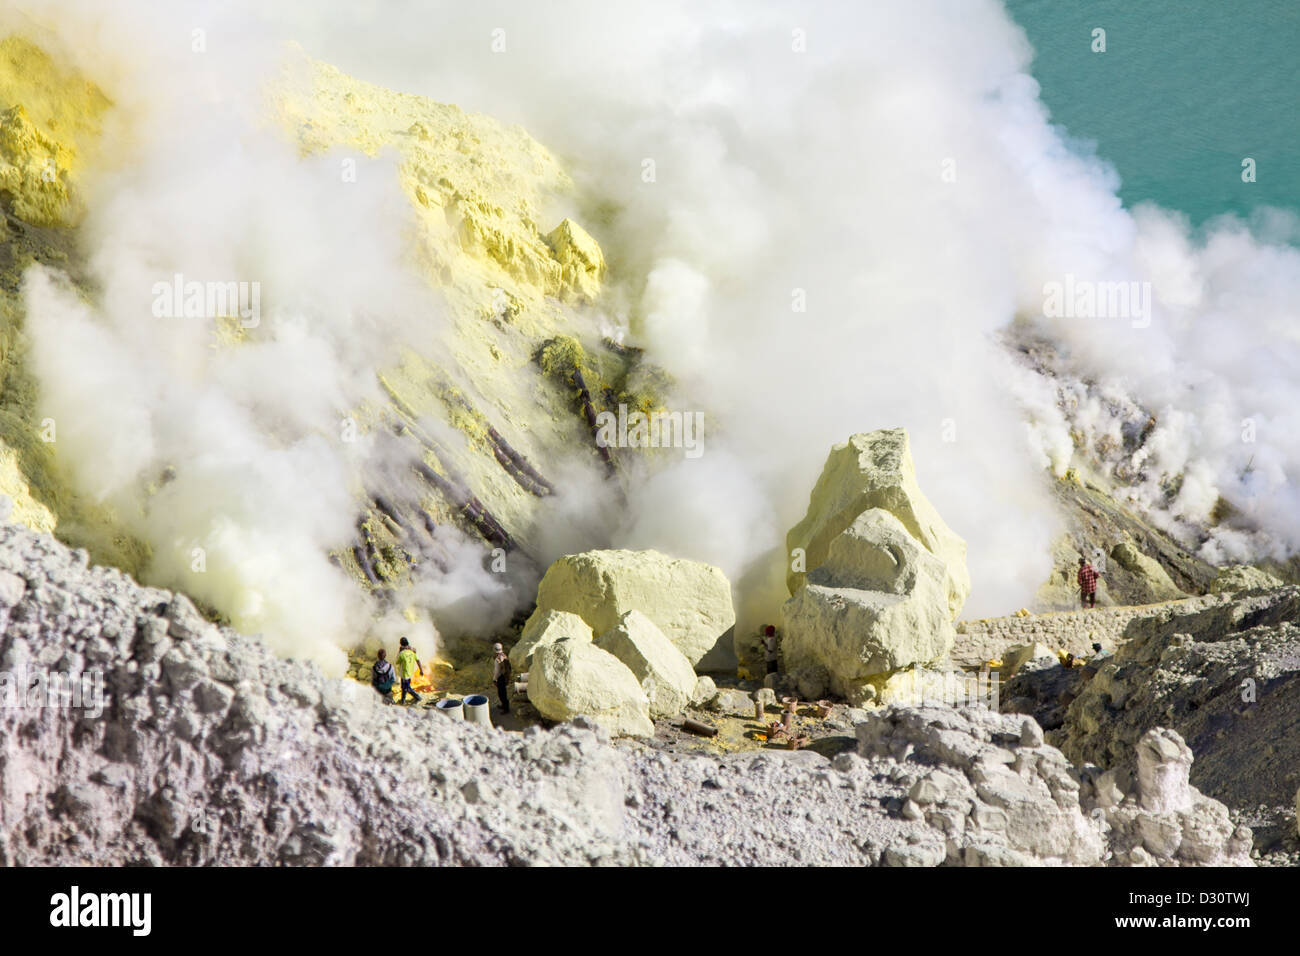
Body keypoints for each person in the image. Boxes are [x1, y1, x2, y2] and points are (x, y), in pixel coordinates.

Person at [396, 637, 424, 704]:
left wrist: (399, 652)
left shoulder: (402, 654)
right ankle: (403, 700)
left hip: (404, 674)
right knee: (403, 687)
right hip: (410, 673)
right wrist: (421, 670)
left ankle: (418, 697)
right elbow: (418, 660)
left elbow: (397, 662)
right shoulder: (412, 651)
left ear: (401, 644)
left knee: (407, 688)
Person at [492, 642, 512, 713]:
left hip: (500, 678)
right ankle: (504, 706)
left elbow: (497, 671)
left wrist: (494, 679)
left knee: (501, 694)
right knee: (504, 693)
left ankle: (506, 709)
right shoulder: (504, 656)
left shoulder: (497, 660)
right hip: (505, 677)